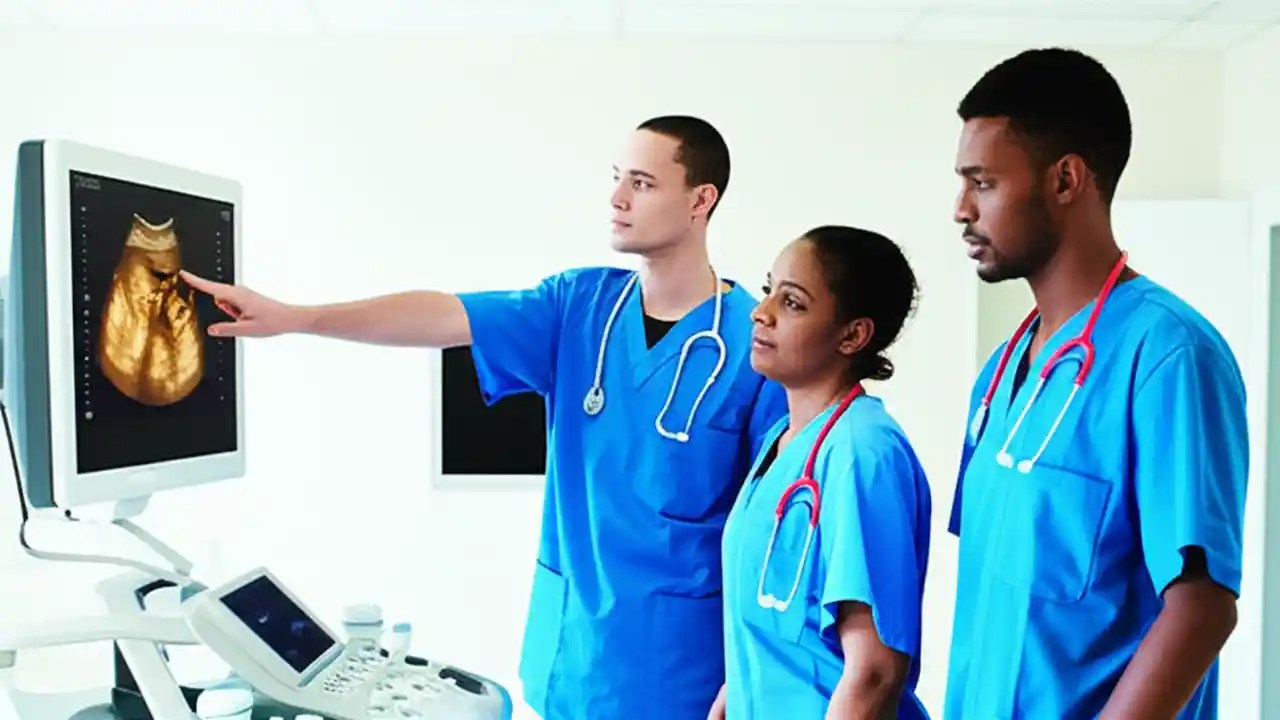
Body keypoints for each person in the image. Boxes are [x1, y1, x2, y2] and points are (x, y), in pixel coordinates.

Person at [182, 115, 788, 719]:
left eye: (642, 183)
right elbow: (443, 316)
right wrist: (300, 318)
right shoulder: (579, 307)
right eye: (616, 178)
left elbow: (772, 529)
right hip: (573, 651)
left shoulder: (753, 342)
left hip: (679, 668)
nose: (617, 198)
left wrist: (753, 670)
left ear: (700, 200)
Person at [946, 47, 1248, 719]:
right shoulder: (999, 377)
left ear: (1065, 180)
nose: (961, 209)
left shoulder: (1170, 356)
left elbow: (1201, 604)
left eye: (983, 183)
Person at [708, 225, 933, 720]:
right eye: (769, 291)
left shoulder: (862, 452)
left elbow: (873, 671)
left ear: (853, 335)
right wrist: (735, 694)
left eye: (792, 303)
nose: (759, 312)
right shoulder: (781, 443)